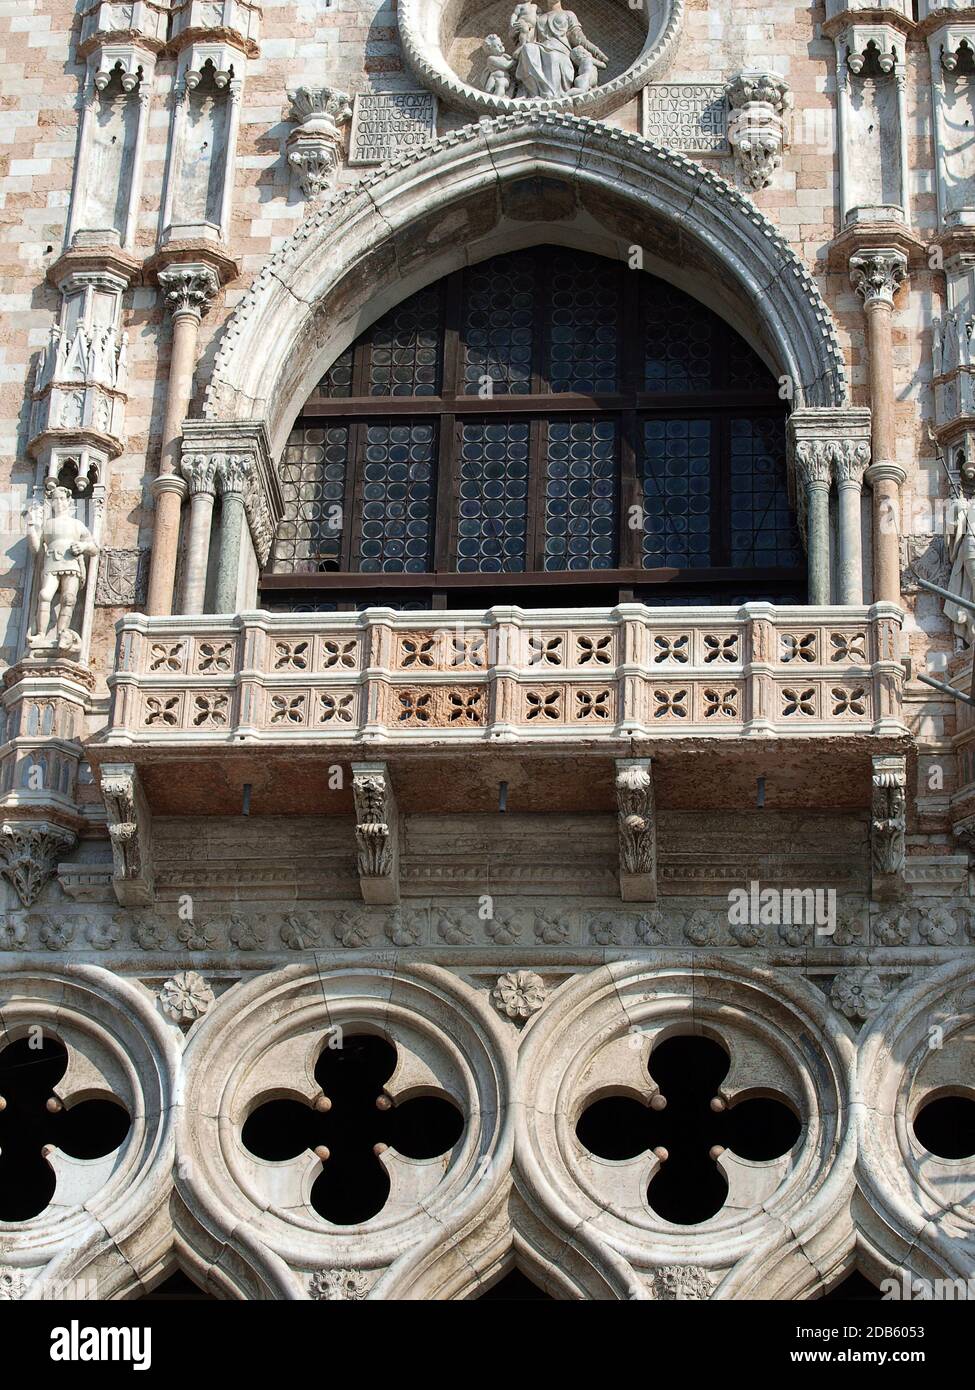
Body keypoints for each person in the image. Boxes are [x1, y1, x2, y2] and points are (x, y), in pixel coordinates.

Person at [26, 482, 98, 652]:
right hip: (51, 562)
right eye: (54, 499)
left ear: (68, 501)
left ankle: (61, 634)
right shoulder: (47, 525)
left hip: (72, 564)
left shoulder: (76, 524)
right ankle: (41, 634)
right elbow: (36, 549)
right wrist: (30, 527)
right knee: (44, 595)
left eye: (61, 499)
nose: (58, 502)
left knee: (69, 598)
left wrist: (83, 547)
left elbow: (94, 547)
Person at [507, 0, 607, 100]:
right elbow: (530, 37)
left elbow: (579, 38)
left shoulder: (568, 14)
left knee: (552, 56)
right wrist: (523, 27)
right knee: (527, 49)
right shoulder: (539, 16)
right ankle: (535, 94)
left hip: (561, 51)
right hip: (540, 47)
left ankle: (551, 95)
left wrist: (596, 51)